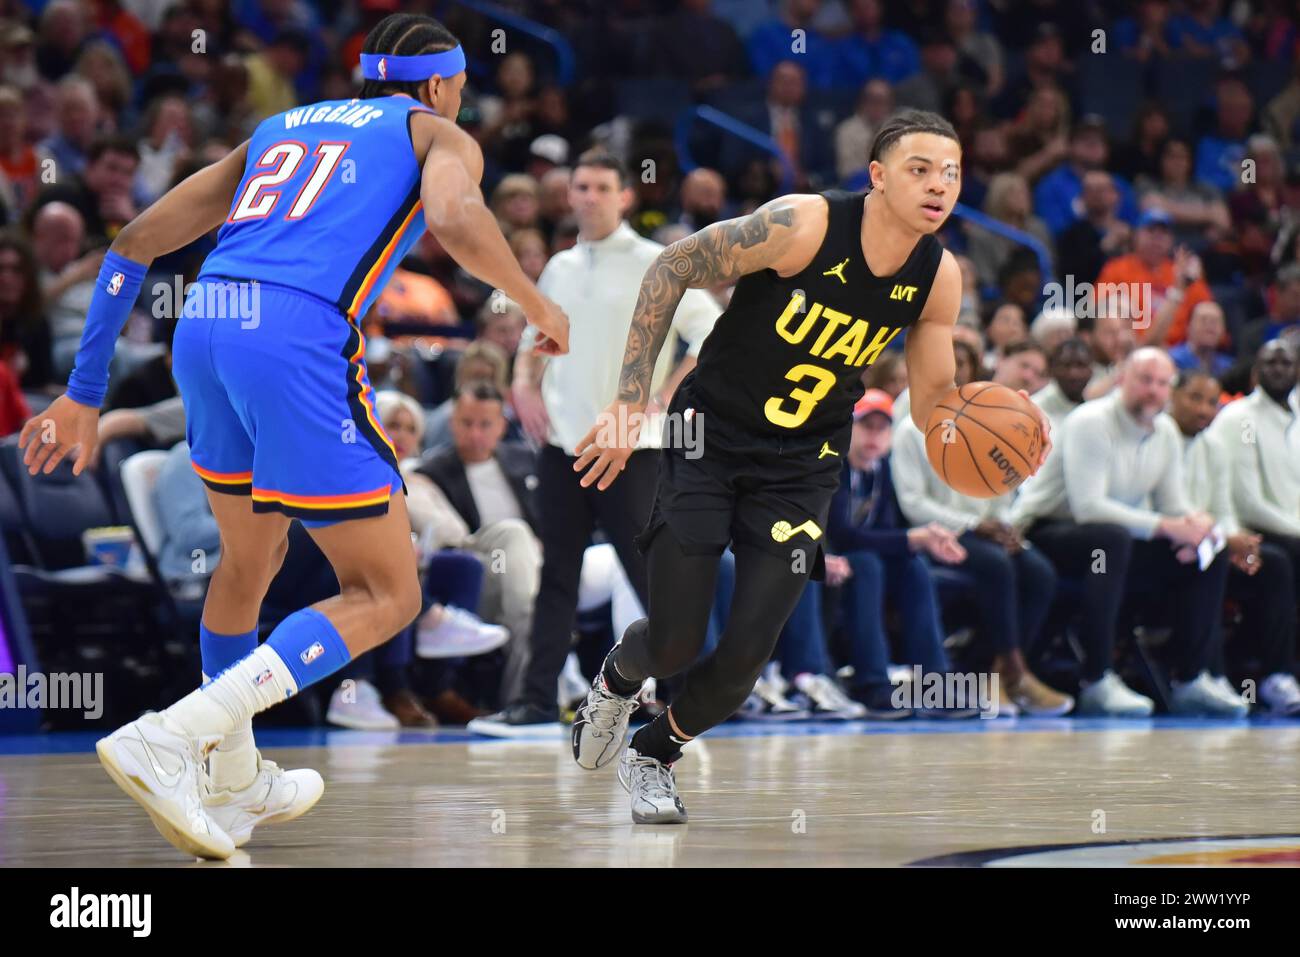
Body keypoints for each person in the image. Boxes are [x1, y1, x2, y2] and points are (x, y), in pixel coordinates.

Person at [19, 12, 568, 861]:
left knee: (250, 561)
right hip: (292, 335)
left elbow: (132, 244)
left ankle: (233, 777)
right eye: (459, 89)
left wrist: (83, 392)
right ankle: (173, 734)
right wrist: (536, 305)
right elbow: (459, 224)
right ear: (435, 86)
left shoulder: (284, 126)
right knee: (390, 592)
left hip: (204, 324)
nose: (460, 102)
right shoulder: (436, 134)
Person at [568, 110, 1051, 823]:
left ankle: (656, 751)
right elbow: (673, 266)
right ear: (878, 175)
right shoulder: (803, 225)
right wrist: (629, 401)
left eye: (951, 173)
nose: (939, 186)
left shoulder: (938, 276)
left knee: (743, 661)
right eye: (920, 169)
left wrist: (995, 443)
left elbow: (935, 403)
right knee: (675, 640)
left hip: (803, 459)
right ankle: (613, 684)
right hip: (710, 434)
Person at [469, 149, 717, 737]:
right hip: (564, 445)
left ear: (625, 196)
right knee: (557, 574)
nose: (588, 196)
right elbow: (535, 335)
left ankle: (686, 698)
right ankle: (534, 702)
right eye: (580, 186)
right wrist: (523, 384)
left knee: (648, 574)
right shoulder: (558, 266)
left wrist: (657, 404)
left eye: (602, 187)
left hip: (633, 448)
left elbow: (709, 334)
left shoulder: (657, 262)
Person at [1011, 348, 1246, 717]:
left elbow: (1173, 504)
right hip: (1048, 531)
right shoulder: (1091, 421)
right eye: (1144, 380)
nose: (1152, 391)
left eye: (1161, 383)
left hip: (1114, 539)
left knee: (1208, 552)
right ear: (1123, 380)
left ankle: (1192, 679)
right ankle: (1097, 679)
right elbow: (1089, 507)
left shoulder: (1165, 430)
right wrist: (1167, 528)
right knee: (1111, 540)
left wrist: (1199, 530)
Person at [1169, 369, 1300, 715]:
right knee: (1210, 559)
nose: (1202, 409)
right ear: (1173, 396)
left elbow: (1225, 509)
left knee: (1273, 564)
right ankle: (1204, 674)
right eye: (1194, 398)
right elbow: (1170, 507)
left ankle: (1276, 675)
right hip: (1171, 544)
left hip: (1210, 539)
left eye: (1211, 402)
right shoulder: (1160, 435)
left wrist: (1236, 540)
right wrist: (1225, 540)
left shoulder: (1212, 446)